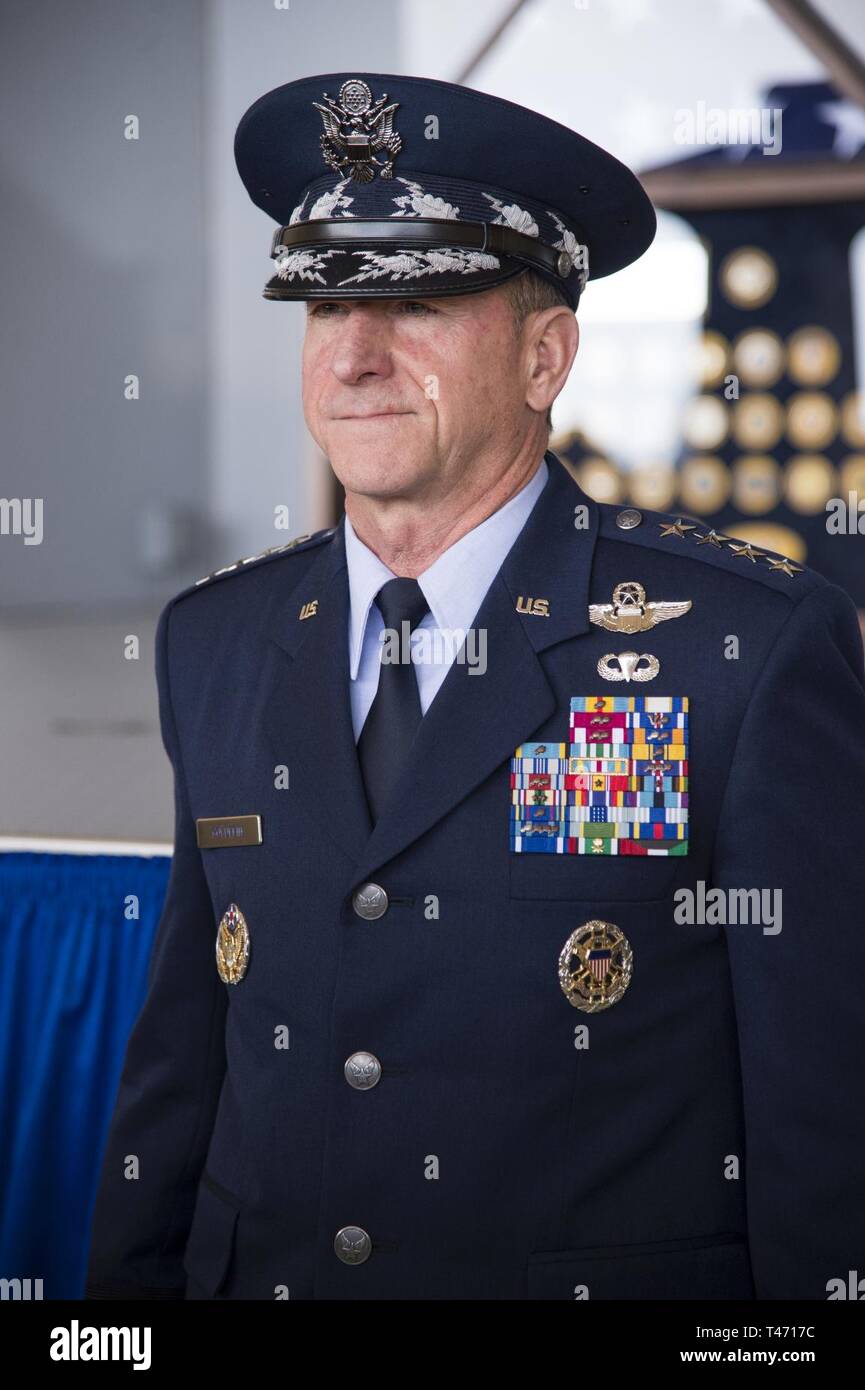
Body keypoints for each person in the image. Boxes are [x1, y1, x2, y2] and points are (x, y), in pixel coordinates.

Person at [85, 71, 865, 1302]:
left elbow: (827, 1125)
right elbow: (181, 1072)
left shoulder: (743, 651)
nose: (353, 357)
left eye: (417, 303)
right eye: (322, 308)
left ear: (545, 353)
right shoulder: (216, 641)